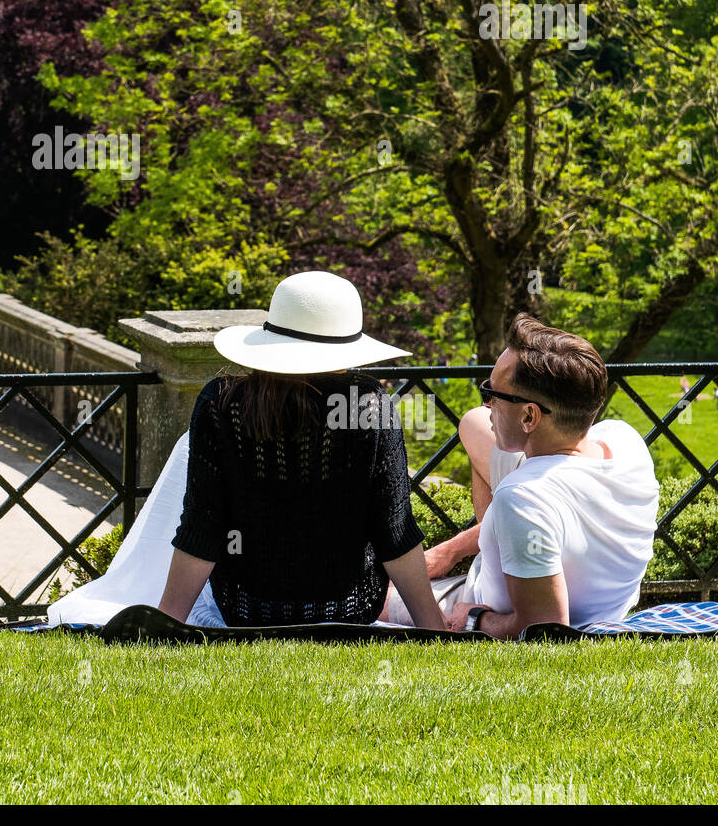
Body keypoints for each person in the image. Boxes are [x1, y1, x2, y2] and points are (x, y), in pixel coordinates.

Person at [48, 271, 446, 631]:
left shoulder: (222, 402)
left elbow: (202, 530)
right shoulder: (371, 408)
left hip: (245, 610)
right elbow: (394, 532)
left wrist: (168, 624)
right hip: (346, 611)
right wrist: (433, 629)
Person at [387, 314, 659, 636]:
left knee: (376, 596)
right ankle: (490, 545)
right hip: (607, 608)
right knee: (473, 423)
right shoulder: (625, 441)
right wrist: (452, 550)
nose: (487, 403)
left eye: (493, 394)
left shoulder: (523, 497)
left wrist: (473, 619)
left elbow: (545, 627)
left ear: (529, 415)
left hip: (484, 602)